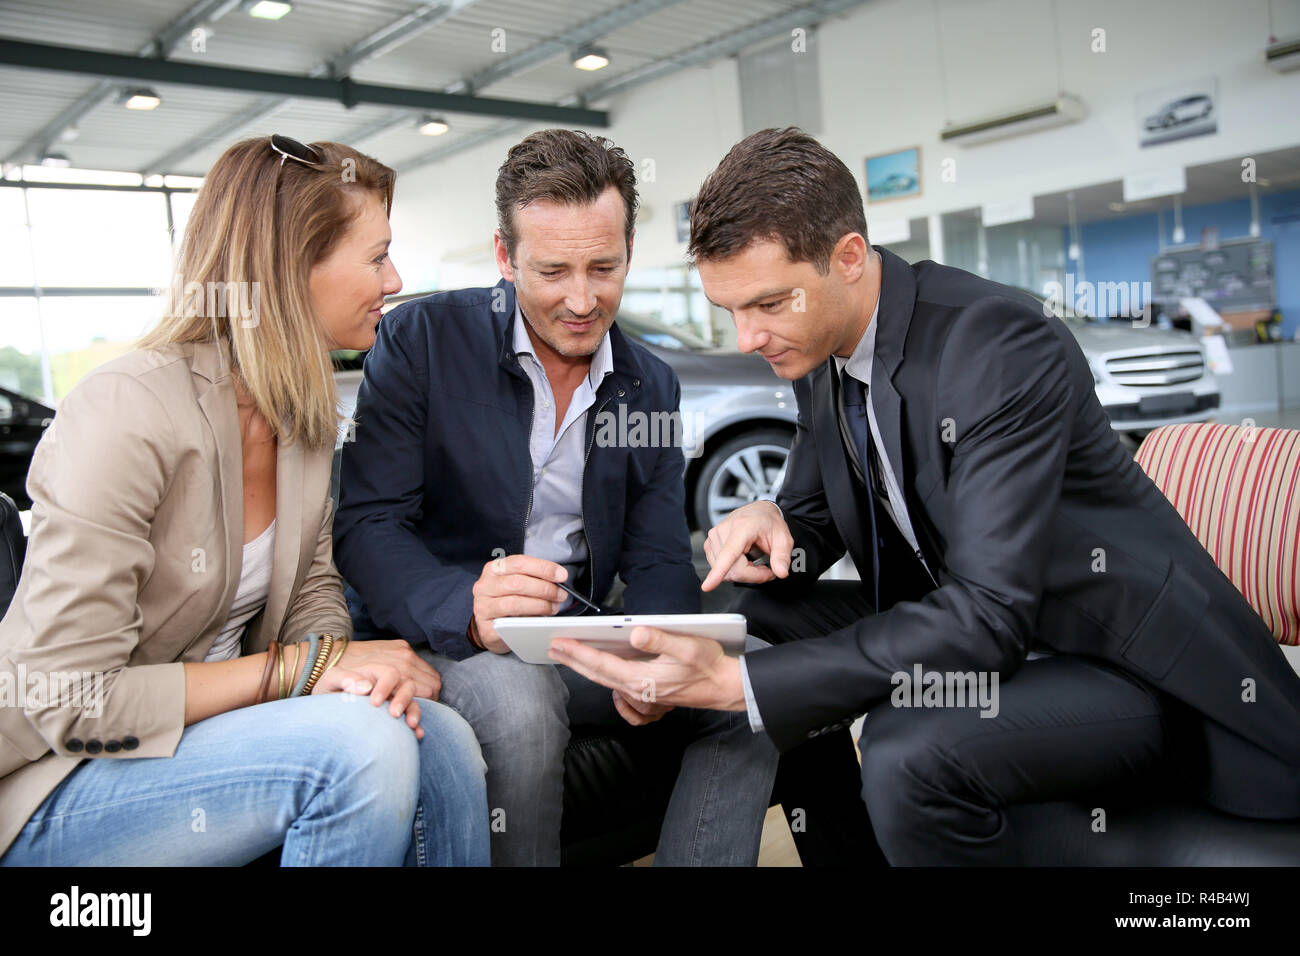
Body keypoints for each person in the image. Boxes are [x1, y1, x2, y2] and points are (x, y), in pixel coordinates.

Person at [549, 127, 1300, 865]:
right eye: (732, 310)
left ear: (848, 258)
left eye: (769, 304)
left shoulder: (996, 342)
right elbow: (817, 519)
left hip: (1104, 657)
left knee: (906, 751)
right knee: (748, 608)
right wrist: (775, 519)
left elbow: (990, 617)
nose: (748, 337)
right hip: (965, 616)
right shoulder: (821, 346)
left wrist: (742, 683)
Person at [0, 135, 489, 866]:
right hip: (62, 779)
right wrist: (307, 673)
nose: (395, 279)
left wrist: (345, 666)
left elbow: (315, 596)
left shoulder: (301, 416)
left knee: (436, 733)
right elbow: (73, 701)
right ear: (295, 267)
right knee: (358, 747)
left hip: (208, 738)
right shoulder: (124, 410)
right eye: (377, 255)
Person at [334, 128, 778, 866]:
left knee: (757, 680)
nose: (581, 300)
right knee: (520, 704)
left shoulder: (650, 384)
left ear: (630, 250)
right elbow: (368, 526)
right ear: (505, 257)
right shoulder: (420, 341)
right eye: (552, 271)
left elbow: (660, 551)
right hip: (442, 639)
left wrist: (663, 649)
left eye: (604, 267)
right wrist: (466, 609)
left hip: (577, 640)